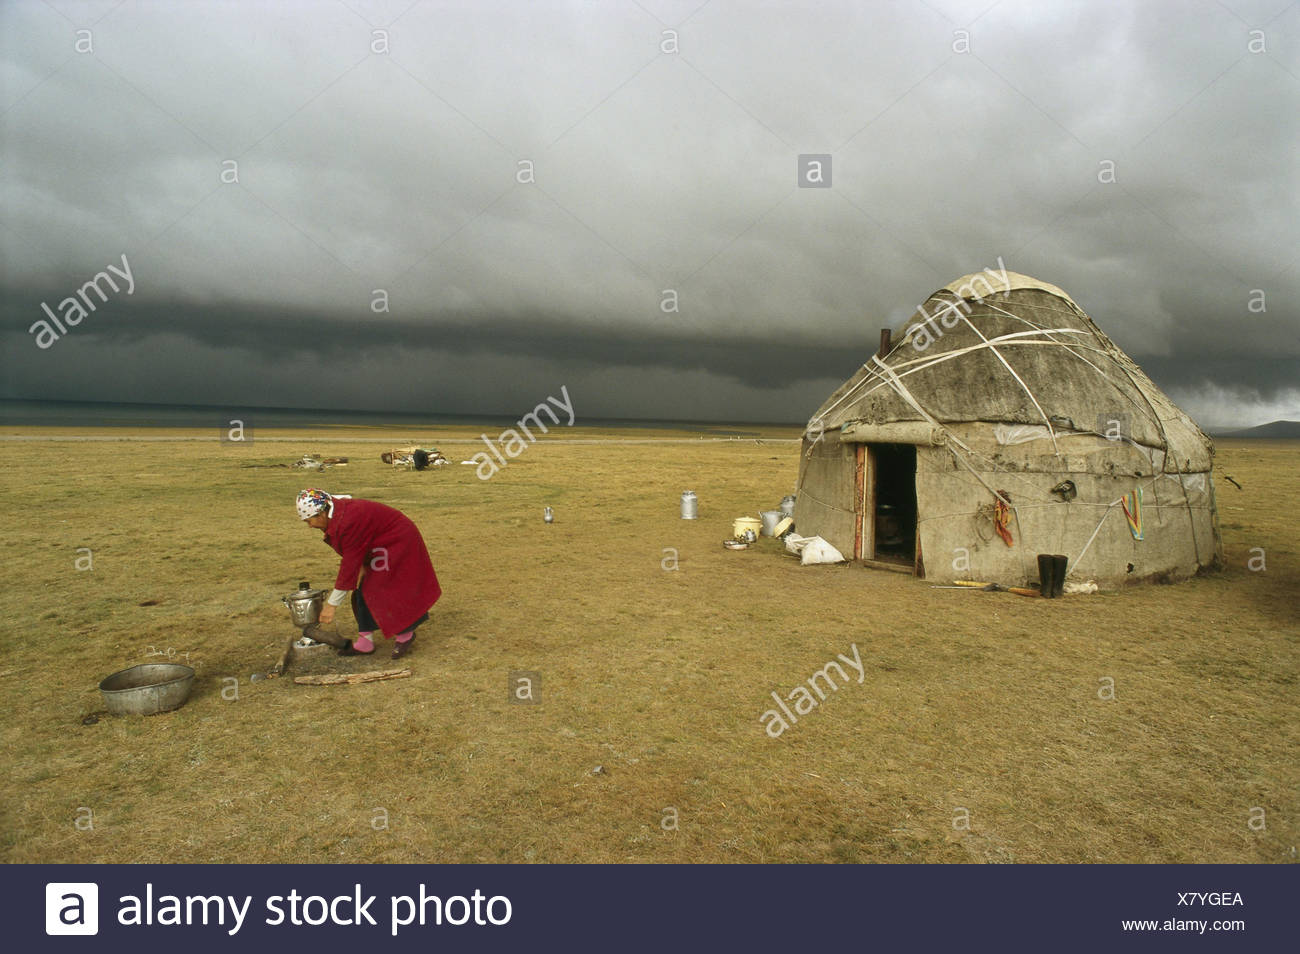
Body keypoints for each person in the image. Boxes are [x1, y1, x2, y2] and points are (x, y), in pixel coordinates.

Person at [295, 488, 441, 658]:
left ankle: (405, 634)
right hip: (375, 543)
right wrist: (362, 566)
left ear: (321, 514)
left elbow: (348, 565)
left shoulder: (347, 521)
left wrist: (331, 606)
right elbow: (354, 550)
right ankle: (365, 641)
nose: (309, 526)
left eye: (309, 520)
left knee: (387, 587)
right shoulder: (334, 514)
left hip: (398, 539)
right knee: (362, 589)